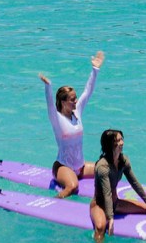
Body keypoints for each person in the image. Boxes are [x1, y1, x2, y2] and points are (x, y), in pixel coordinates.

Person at [42, 51, 105, 196]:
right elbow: (50, 105)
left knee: (105, 169)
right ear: (63, 102)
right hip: (63, 167)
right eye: (72, 99)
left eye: (75, 98)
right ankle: (55, 203)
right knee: (72, 187)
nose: (76, 101)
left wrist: (95, 70)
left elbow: (88, 91)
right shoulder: (57, 119)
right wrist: (48, 87)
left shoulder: (77, 113)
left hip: (81, 167)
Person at [88, 128, 146, 243]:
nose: (122, 143)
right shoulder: (102, 167)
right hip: (99, 206)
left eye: (122, 139)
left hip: (116, 204)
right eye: (118, 141)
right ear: (110, 145)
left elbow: (134, 182)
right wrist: (110, 218)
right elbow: (107, 193)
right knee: (100, 228)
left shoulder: (123, 160)